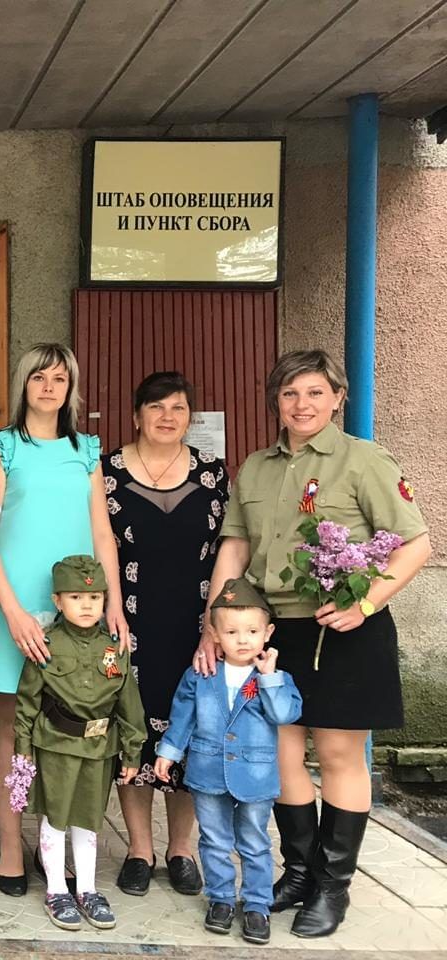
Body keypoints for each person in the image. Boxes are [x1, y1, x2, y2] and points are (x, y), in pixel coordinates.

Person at [198, 349, 430, 938]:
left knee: (338, 757)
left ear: (337, 398)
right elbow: (236, 549)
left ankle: (333, 887)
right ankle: (298, 872)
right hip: (277, 632)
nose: (302, 405)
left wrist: (366, 602)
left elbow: (414, 544)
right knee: (279, 754)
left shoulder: (363, 460)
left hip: (347, 628)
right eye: (289, 394)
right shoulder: (255, 467)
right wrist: (214, 619)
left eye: (314, 393)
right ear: (275, 401)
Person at [0, 342, 130, 897]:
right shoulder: (2, 446)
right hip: (12, 610)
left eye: (59, 379)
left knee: (62, 731)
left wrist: (113, 601)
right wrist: (14, 611)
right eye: (39, 377)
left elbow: (103, 533)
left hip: (79, 612)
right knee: (13, 727)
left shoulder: (85, 450)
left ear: (71, 388)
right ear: (24, 384)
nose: (48, 387)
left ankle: (54, 842)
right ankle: (12, 844)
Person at [101, 371, 226, 897]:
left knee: (191, 734)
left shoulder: (214, 474)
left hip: (195, 626)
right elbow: (100, 541)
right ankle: (138, 848)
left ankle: (180, 848)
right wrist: (111, 607)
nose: (167, 417)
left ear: (189, 417)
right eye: (156, 408)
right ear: (136, 415)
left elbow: (228, 549)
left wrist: (216, 621)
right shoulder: (105, 472)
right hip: (130, 620)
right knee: (132, 733)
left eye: (178, 408)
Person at [156, 577, 302, 945]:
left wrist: (268, 679)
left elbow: (285, 714)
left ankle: (256, 905)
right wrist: (169, 753)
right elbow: (183, 715)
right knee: (214, 839)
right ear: (215, 635)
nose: (243, 639)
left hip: (255, 776)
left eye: (252, 630)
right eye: (232, 631)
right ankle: (221, 899)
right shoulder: (201, 674)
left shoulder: (277, 678)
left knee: (254, 841)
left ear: (267, 633)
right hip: (208, 772)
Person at [14, 554, 146, 933]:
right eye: (74, 597)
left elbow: (128, 702)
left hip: (100, 748)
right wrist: (23, 752)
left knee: (89, 821)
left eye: (94, 598)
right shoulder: (47, 644)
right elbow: (27, 702)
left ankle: (86, 889)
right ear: (57, 601)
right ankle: (57, 889)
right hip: (56, 745)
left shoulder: (116, 647)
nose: (86, 605)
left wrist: (133, 750)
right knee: (56, 818)